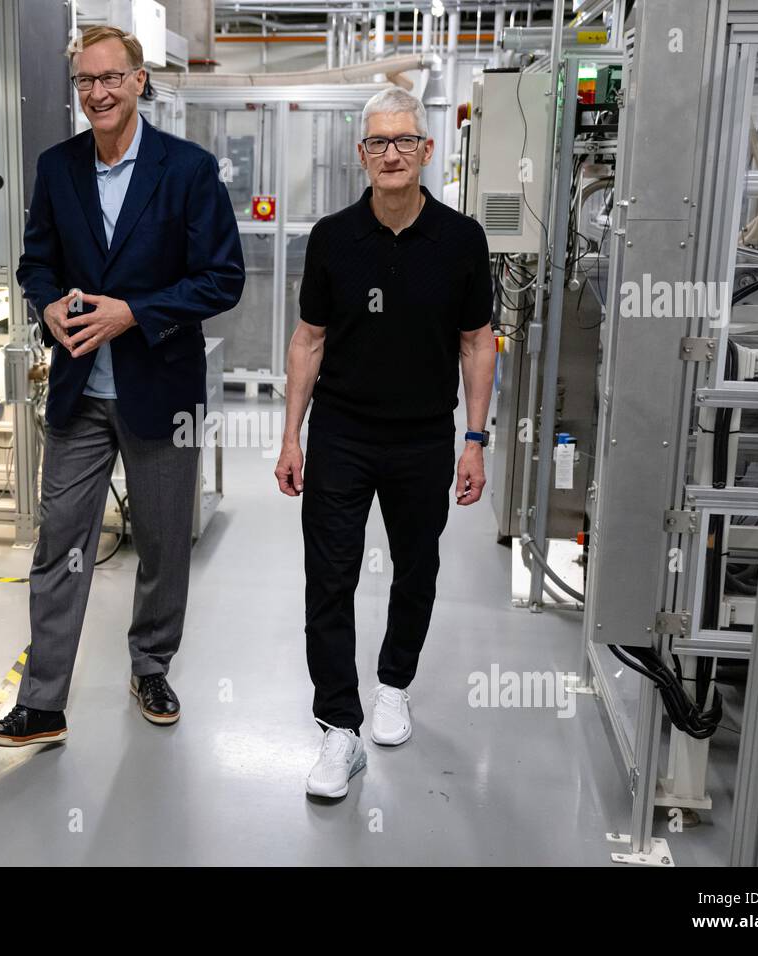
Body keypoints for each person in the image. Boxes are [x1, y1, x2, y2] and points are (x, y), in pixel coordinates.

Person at [0, 25, 244, 747]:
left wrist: (137, 313)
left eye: (110, 79)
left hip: (160, 390)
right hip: (79, 393)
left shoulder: (189, 170)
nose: (97, 93)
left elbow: (224, 278)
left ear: (138, 80)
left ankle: (150, 664)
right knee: (59, 543)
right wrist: (48, 303)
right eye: (85, 82)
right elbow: (36, 263)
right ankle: (42, 704)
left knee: (161, 544)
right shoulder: (57, 167)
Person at [274, 88, 496, 797]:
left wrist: (475, 439)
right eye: (378, 143)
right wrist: (291, 436)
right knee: (329, 577)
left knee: (416, 567)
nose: (392, 153)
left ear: (428, 151)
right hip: (341, 431)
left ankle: (394, 683)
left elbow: (477, 341)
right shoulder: (335, 238)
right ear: (362, 154)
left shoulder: (462, 239)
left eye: (404, 141)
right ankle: (339, 730)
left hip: (423, 435)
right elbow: (309, 340)